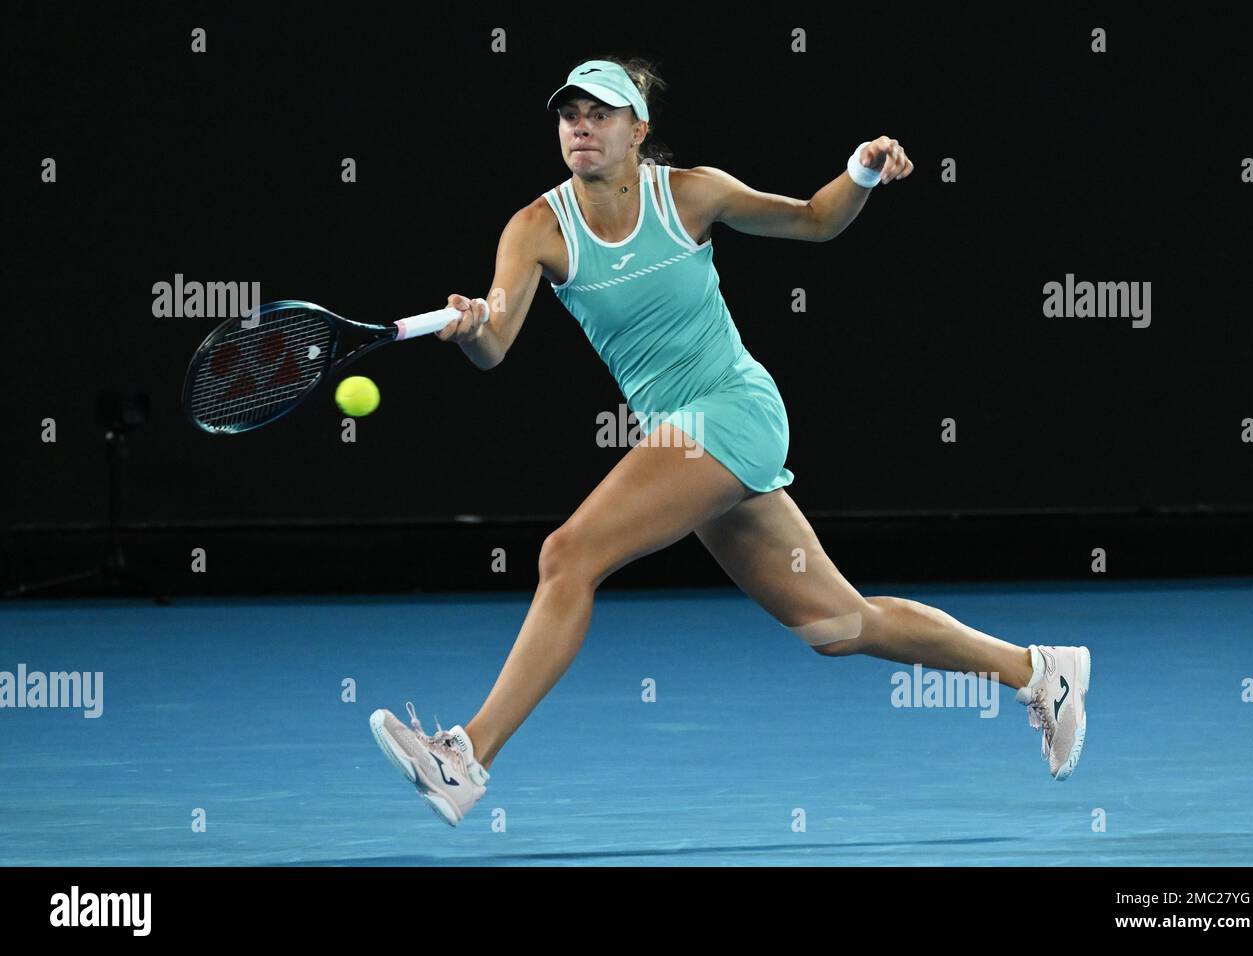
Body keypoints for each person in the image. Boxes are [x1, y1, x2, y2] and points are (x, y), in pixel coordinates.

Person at [370, 56, 1090, 827]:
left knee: (566, 555)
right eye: (569, 114)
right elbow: (496, 345)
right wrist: (473, 327)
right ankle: (1039, 670)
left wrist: (861, 171)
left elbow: (815, 218)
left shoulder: (690, 194)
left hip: (732, 411)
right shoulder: (536, 228)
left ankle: (466, 757)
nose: (581, 126)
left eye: (600, 113)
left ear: (637, 131)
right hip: (683, 441)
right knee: (837, 626)